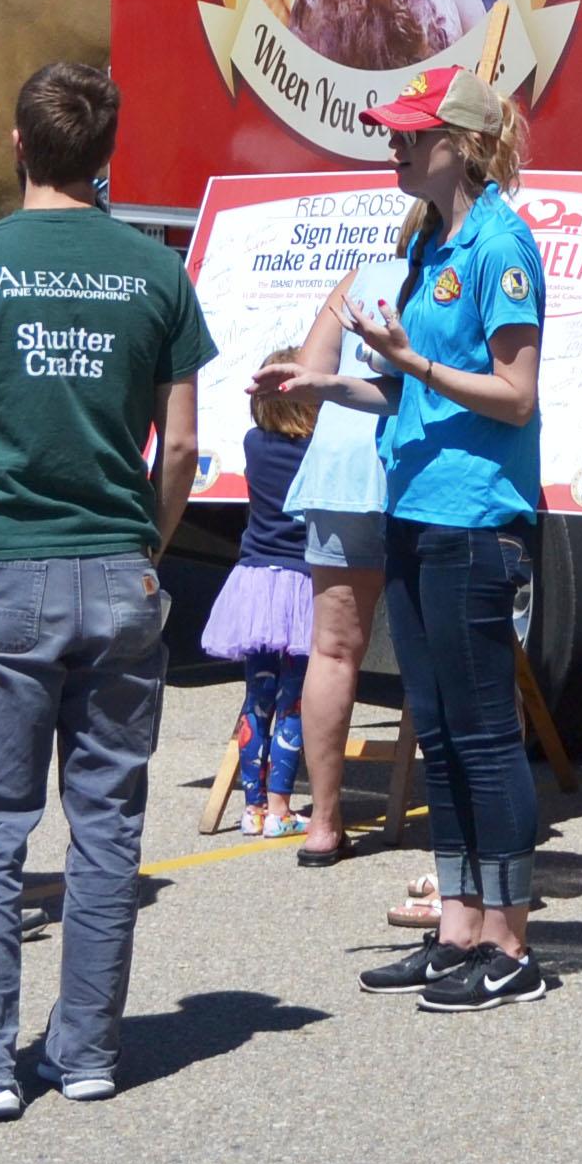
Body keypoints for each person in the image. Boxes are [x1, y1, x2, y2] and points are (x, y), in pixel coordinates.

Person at [0, 60, 212, 1119]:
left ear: (19, 147)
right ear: (105, 153)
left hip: (3, 570)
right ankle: (88, 1053)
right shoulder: (157, 275)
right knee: (107, 822)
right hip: (120, 572)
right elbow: (184, 448)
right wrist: (148, 551)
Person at [268, 66, 552, 1014]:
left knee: (480, 735)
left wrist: (409, 357)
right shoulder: (430, 239)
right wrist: (319, 387)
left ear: (458, 145)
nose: (390, 146)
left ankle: (512, 948)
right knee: (437, 728)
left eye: (405, 134)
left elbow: (516, 396)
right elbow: (409, 392)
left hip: (476, 517)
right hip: (418, 507)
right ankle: (457, 930)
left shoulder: (502, 247)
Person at [277, 259, 405, 869]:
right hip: (418, 468)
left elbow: (308, 372)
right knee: (451, 650)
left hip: (340, 467)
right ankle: (469, 825)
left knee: (331, 651)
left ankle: (323, 822)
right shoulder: (461, 266)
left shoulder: (362, 278)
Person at [203, 358, 319, 836]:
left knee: (258, 699)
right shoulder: (316, 450)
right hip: (300, 584)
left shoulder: (254, 444)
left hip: (253, 581)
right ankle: (281, 809)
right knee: (294, 702)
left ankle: (251, 808)